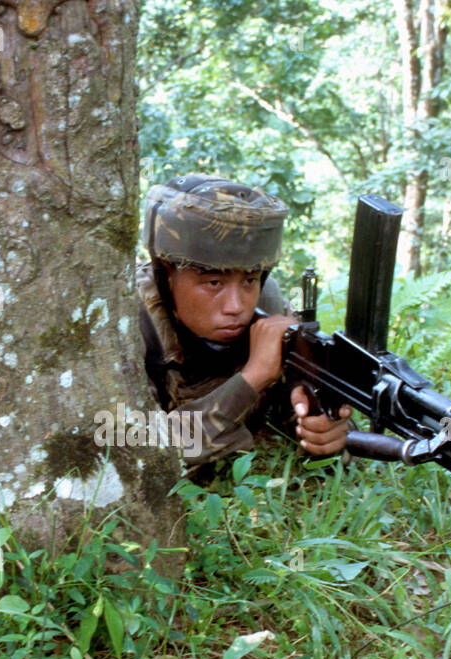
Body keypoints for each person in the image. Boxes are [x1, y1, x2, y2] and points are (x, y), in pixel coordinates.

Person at [138, 174, 352, 479]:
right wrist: (253, 378)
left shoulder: (269, 306)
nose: (236, 306)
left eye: (250, 279)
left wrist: (321, 424)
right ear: (167, 274)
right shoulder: (133, 323)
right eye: (213, 282)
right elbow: (141, 454)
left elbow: (297, 407)